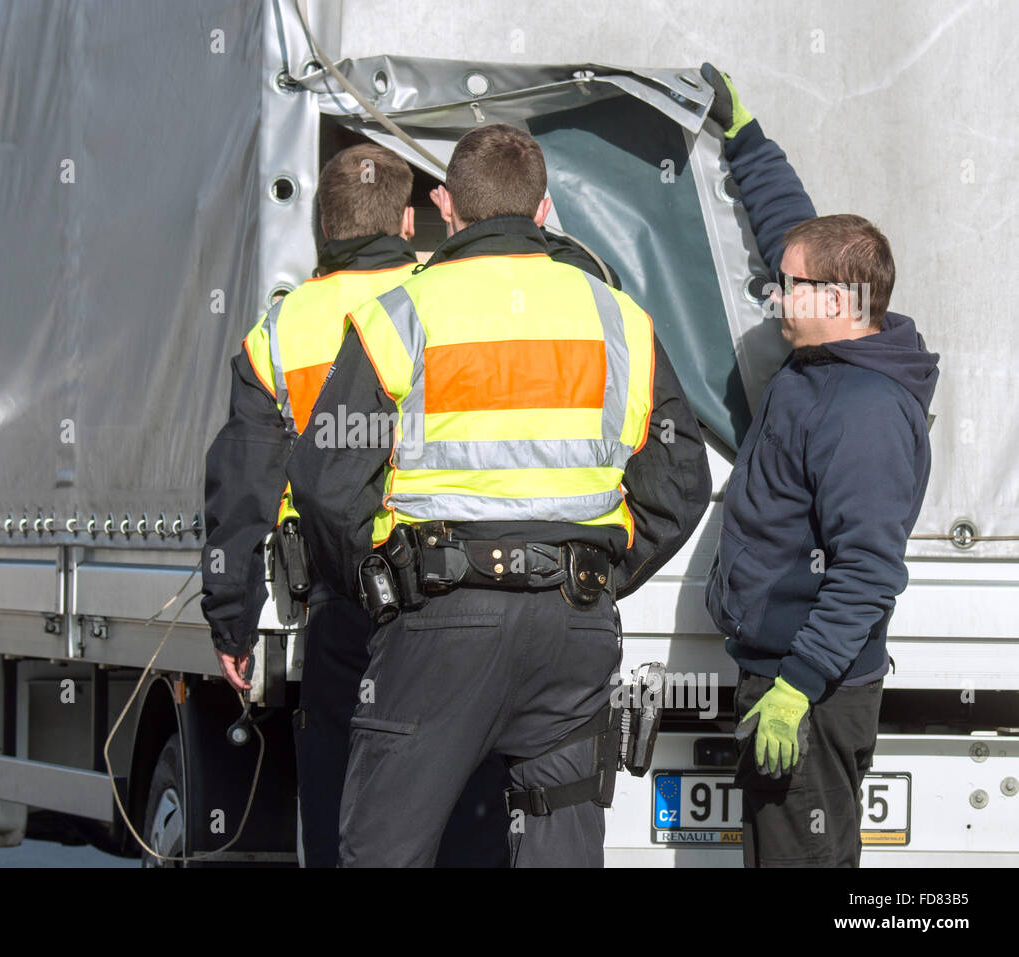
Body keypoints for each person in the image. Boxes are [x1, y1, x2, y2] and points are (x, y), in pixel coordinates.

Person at [286, 123, 712, 867]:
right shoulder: (621, 319)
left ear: (448, 207)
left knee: (385, 845)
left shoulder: (402, 315)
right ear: (544, 209)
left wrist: (378, 581)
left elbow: (326, 482)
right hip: (573, 623)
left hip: (440, 617)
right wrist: (601, 571)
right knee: (560, 837)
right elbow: (681, 482)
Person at [200, 144, 506, 867]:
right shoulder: (445, 302)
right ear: (408, 220)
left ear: (322, 229)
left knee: (345, 812)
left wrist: (229, 614)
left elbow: (241, 480)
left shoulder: (279, 329)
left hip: (341, 601)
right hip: (457, 592)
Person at [699, 64, 939, 867]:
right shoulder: (833, 345)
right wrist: (746, 138)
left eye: (787, 287)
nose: (774, 296)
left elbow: (869, 568)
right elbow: (790, 229)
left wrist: (796, 686)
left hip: (811, 694)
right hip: (783, 674)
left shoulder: (863, 412)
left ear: (838, 299)